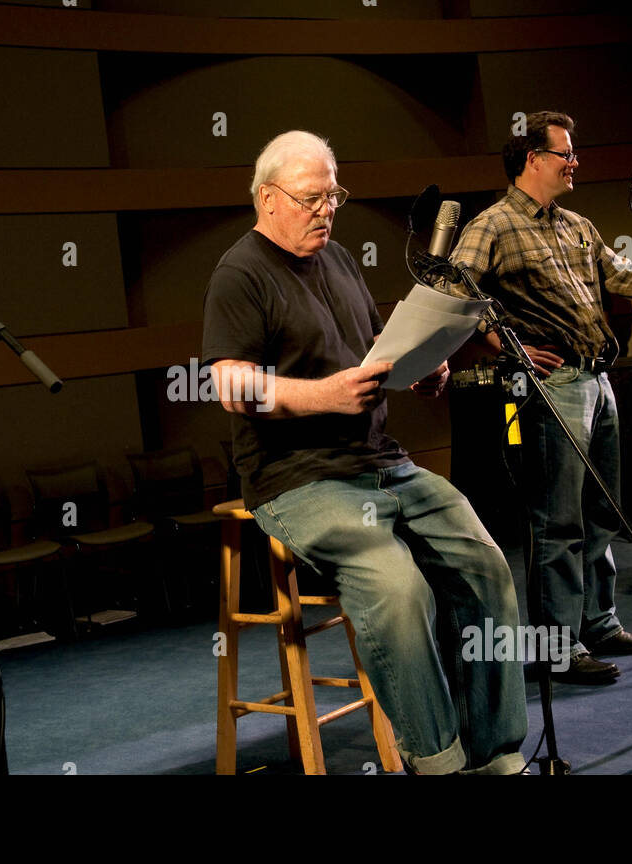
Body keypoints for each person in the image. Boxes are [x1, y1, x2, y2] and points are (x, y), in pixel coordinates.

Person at [202, 130, 527, 774]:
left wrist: (416, 365)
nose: (326, 209)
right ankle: (437, 761)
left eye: (334, 195)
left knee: (487, 565)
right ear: (268, 199)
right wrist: (323, 396)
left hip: (383, 462)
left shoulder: (339, 258)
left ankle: (495, 754)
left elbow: (369, 346)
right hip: (298, 479)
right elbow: (229, 384)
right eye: (311, 197)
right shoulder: (239, 273)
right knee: (398, 587)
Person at [441, 111, 632, 685]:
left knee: (601, 512)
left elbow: (625, 278)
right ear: (532, 160)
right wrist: (505, 345)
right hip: (554, 387)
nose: (575, 162)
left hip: (598, 381)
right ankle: (555, 648)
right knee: (557, 523)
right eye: (565, 153)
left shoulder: (577, 225)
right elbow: (451, 291)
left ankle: (598, 622)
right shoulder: (491, 225)